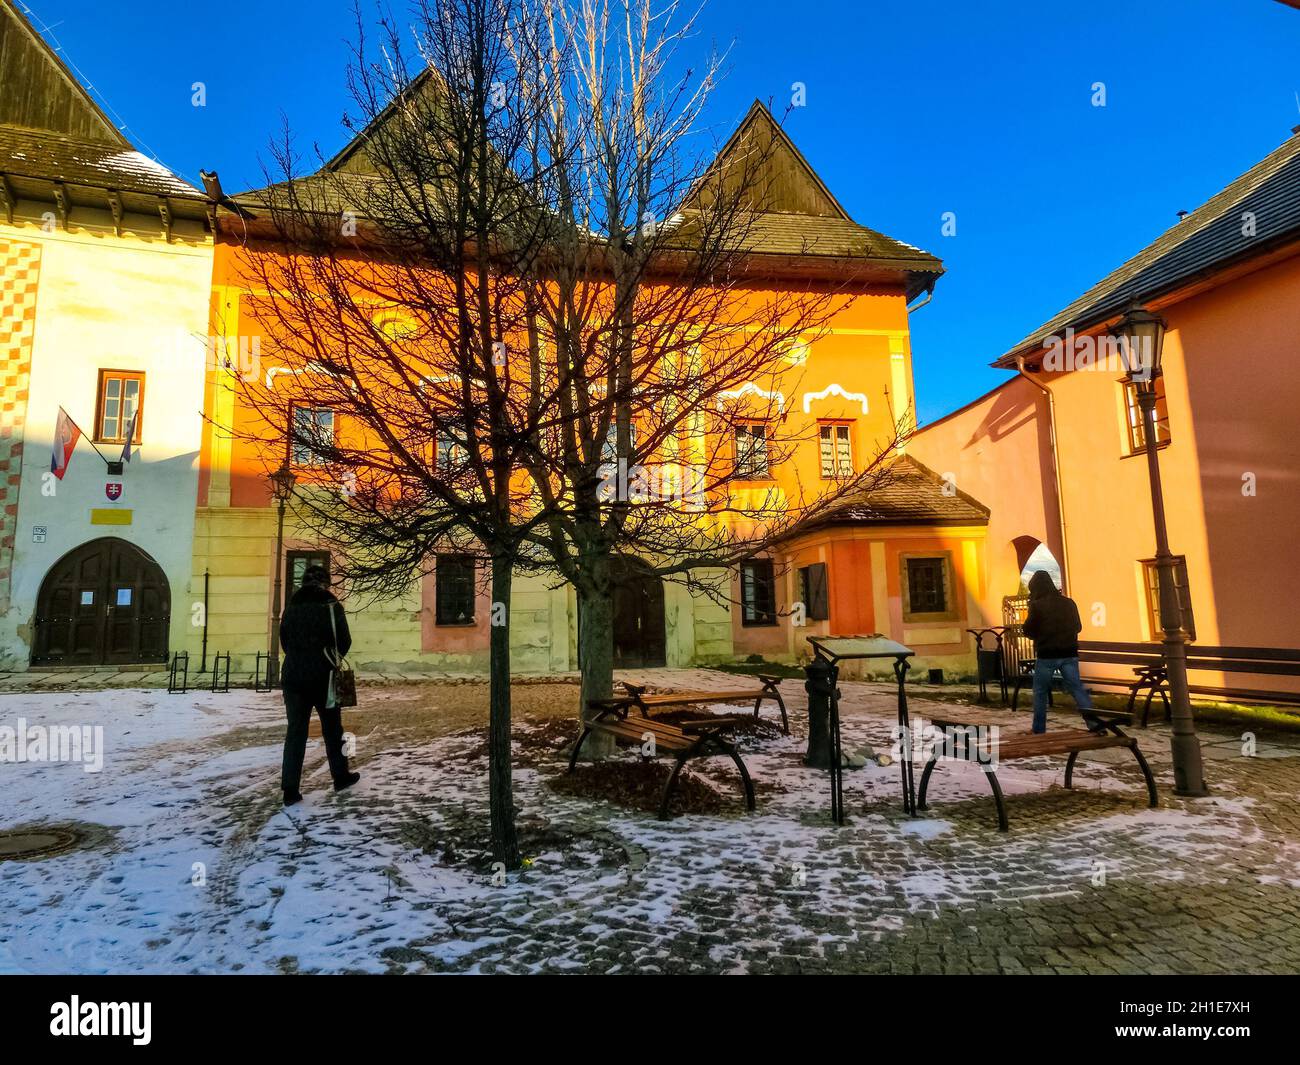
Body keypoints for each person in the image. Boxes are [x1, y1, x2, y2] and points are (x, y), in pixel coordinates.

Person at [278, 565, 359, 804]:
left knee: (295, 732)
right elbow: (344, 640)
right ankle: (340, 776)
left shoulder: (290, 607)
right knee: (333, 730)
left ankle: (290, 790)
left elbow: (284, 641)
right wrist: (328, 658)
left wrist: (299, 658)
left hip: (293, 677)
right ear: (326, 583)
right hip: (325, 677)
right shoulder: (332, 606)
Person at [1021, 569, 1106, 735]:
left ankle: (1039, 729)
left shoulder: (1037, 606)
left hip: (1047, 655)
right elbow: (1078, 627)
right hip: (1069, 653)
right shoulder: (1069, 603)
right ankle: (1095, 725)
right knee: (1077, 690)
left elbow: (1028, 631)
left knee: (1040, 692)